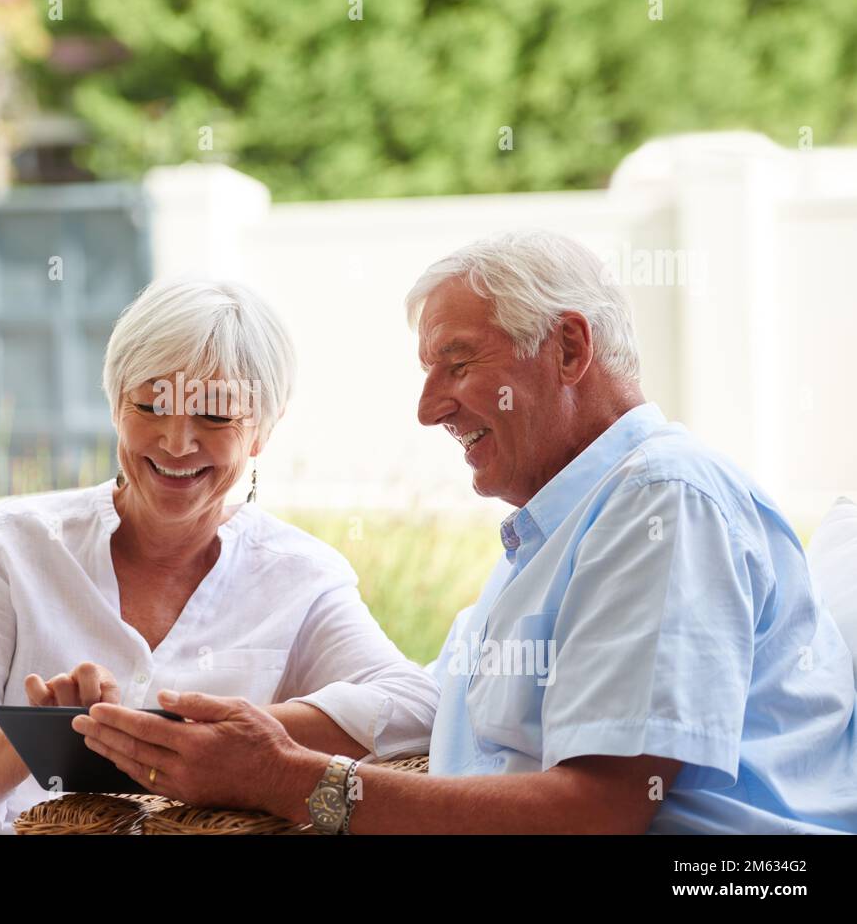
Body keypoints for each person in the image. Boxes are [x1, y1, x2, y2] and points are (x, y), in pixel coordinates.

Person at [76, 230, 857, 834]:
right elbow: (421, 700)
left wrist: (288, 778)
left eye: (456, 363)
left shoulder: (659, 503)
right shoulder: (557, 530)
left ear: (570, 348)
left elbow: (601, 811)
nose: (428, 407)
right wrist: (172, 736)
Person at [0, 275, 438, 833]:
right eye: (150, 405)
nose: (176, 442)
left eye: (213, 413)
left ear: (262, 427)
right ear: (114, 406)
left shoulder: (301, 575)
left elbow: (418, 704)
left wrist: (237, 739)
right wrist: (42, 734)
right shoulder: (16, 542)